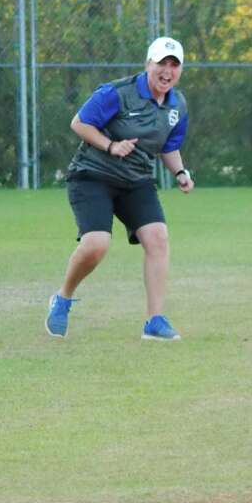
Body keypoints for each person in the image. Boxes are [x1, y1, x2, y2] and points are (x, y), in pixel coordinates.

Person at [45, 36, 195, 341]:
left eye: (173, 65)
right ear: (148, 64)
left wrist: (179, 171)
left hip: (136, 180)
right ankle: (62, 298)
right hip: (93, 175)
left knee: (158, 237)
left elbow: (168, 145)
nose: (166, 71)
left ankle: (154, 320)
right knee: (96, 244)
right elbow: (80, 123)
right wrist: (110, 145)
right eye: (161, 64)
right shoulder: (118, 93)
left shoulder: (177, 104)